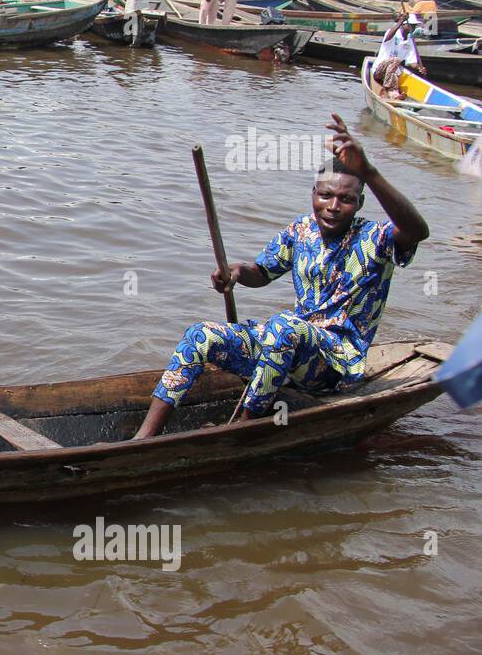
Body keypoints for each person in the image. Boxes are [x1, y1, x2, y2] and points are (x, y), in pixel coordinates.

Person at [133, 115, 429, 440]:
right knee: (201, 335)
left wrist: (369, 171)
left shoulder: (376, 238)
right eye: (325, 196)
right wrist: (235, 273)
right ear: (313, 193)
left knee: (284, 326)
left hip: (335, 366)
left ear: (359, 204)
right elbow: (262, 272)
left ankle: (243, 427)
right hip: (289, 349)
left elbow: (417, 230)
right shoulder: (301, 230)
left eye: (345, 200)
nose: (332, 206)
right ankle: (145, 437)